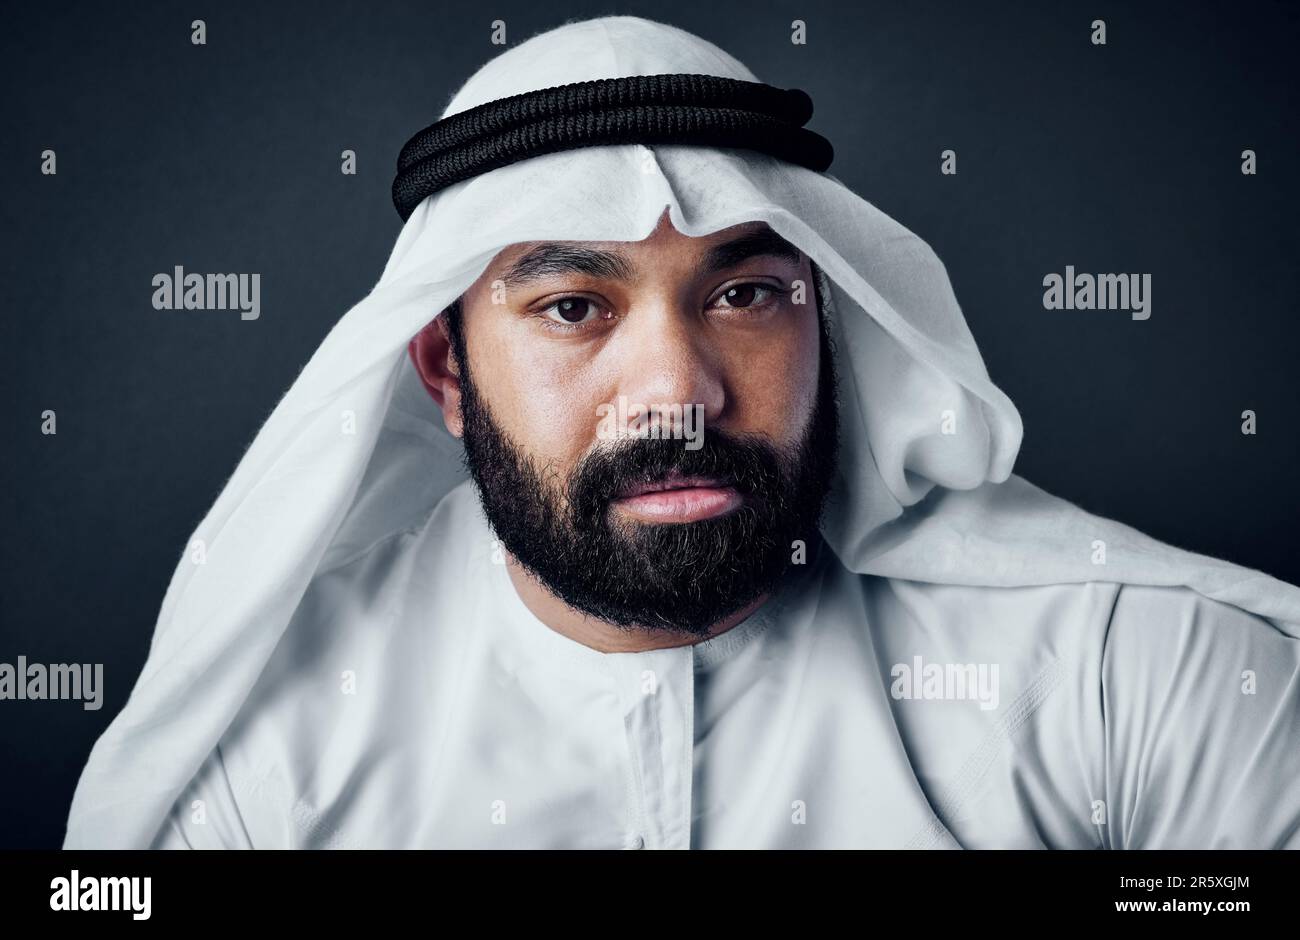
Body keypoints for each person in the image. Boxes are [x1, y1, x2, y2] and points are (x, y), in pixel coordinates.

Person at [65, 15, 1300, 850]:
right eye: (571, 307)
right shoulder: (264, 757)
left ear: (833, 329)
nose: (676, 392)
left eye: (744, 294)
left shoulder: (1133, 679)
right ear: (446, 369)